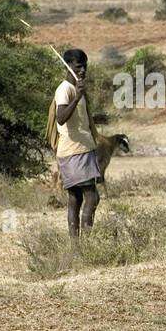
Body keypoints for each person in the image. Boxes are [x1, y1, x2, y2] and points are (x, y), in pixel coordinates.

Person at [46, 49, 101, 239]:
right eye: (79, 66)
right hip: (74, 151)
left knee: (75, 199)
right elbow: (61, 118)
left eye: (85, 66)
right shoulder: (65, 89)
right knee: (92, 197)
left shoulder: (77, 87)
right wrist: (77, 97)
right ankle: (85, 245)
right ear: (67, 66)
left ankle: (77, 249)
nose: (83, 70)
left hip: (81, 149)